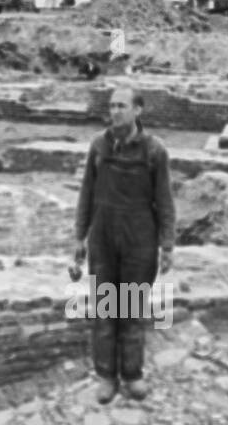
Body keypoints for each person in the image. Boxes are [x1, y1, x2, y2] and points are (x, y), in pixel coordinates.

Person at [73, 87, 176, 404]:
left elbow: (164, 201)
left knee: (131, 310)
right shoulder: (99, 145)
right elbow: (86, 193)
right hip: (103, 237)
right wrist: (80, 237)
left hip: (139, 238)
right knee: (105, 310)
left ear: (138, 110)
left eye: (122, 106)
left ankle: (132, 375)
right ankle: (106, 376)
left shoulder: (154, 150)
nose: (115, 111)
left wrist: (167, 245)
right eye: (112, 106)